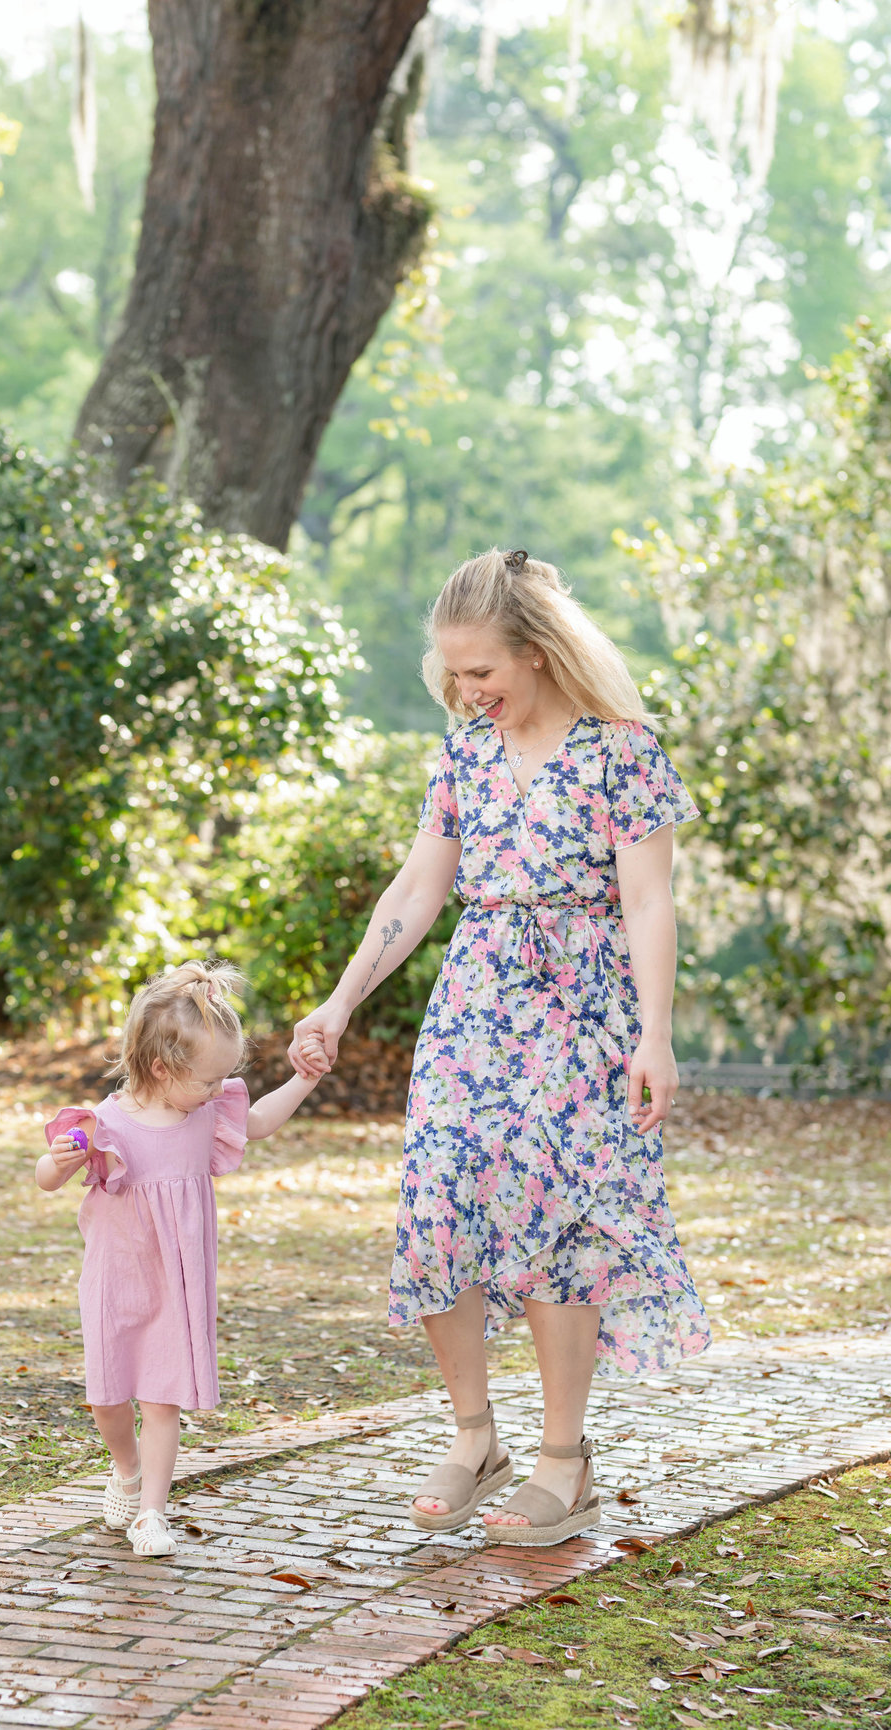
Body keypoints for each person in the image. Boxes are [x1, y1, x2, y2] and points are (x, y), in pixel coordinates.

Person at [290, 548, 710, 1547]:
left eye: (481, 669)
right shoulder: (463, 755)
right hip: (473, 1004)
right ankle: (475, 1439)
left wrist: (654, 1035)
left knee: (562, 1217)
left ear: (537, 650)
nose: (467, 688)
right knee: (439, 1203)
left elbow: (649, 902)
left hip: (583, 1009)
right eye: (452, 672)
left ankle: (564, 1459)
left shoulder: (621, 752)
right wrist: (339, 1002)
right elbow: (416, 889)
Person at [39, 960, 325, 1557]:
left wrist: (304, 1079)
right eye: (209, 1080)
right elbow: (46, 1177)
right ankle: (127, 1469)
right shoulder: (105, 1124)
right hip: (117, 1279)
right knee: (108, 1399)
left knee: (161, 1396)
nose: (219, 1090)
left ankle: (151, 1514)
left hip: (178, 1281)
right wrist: (58, 1162)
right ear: (162, 1068)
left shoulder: (205, 1112)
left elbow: (259, 1122)